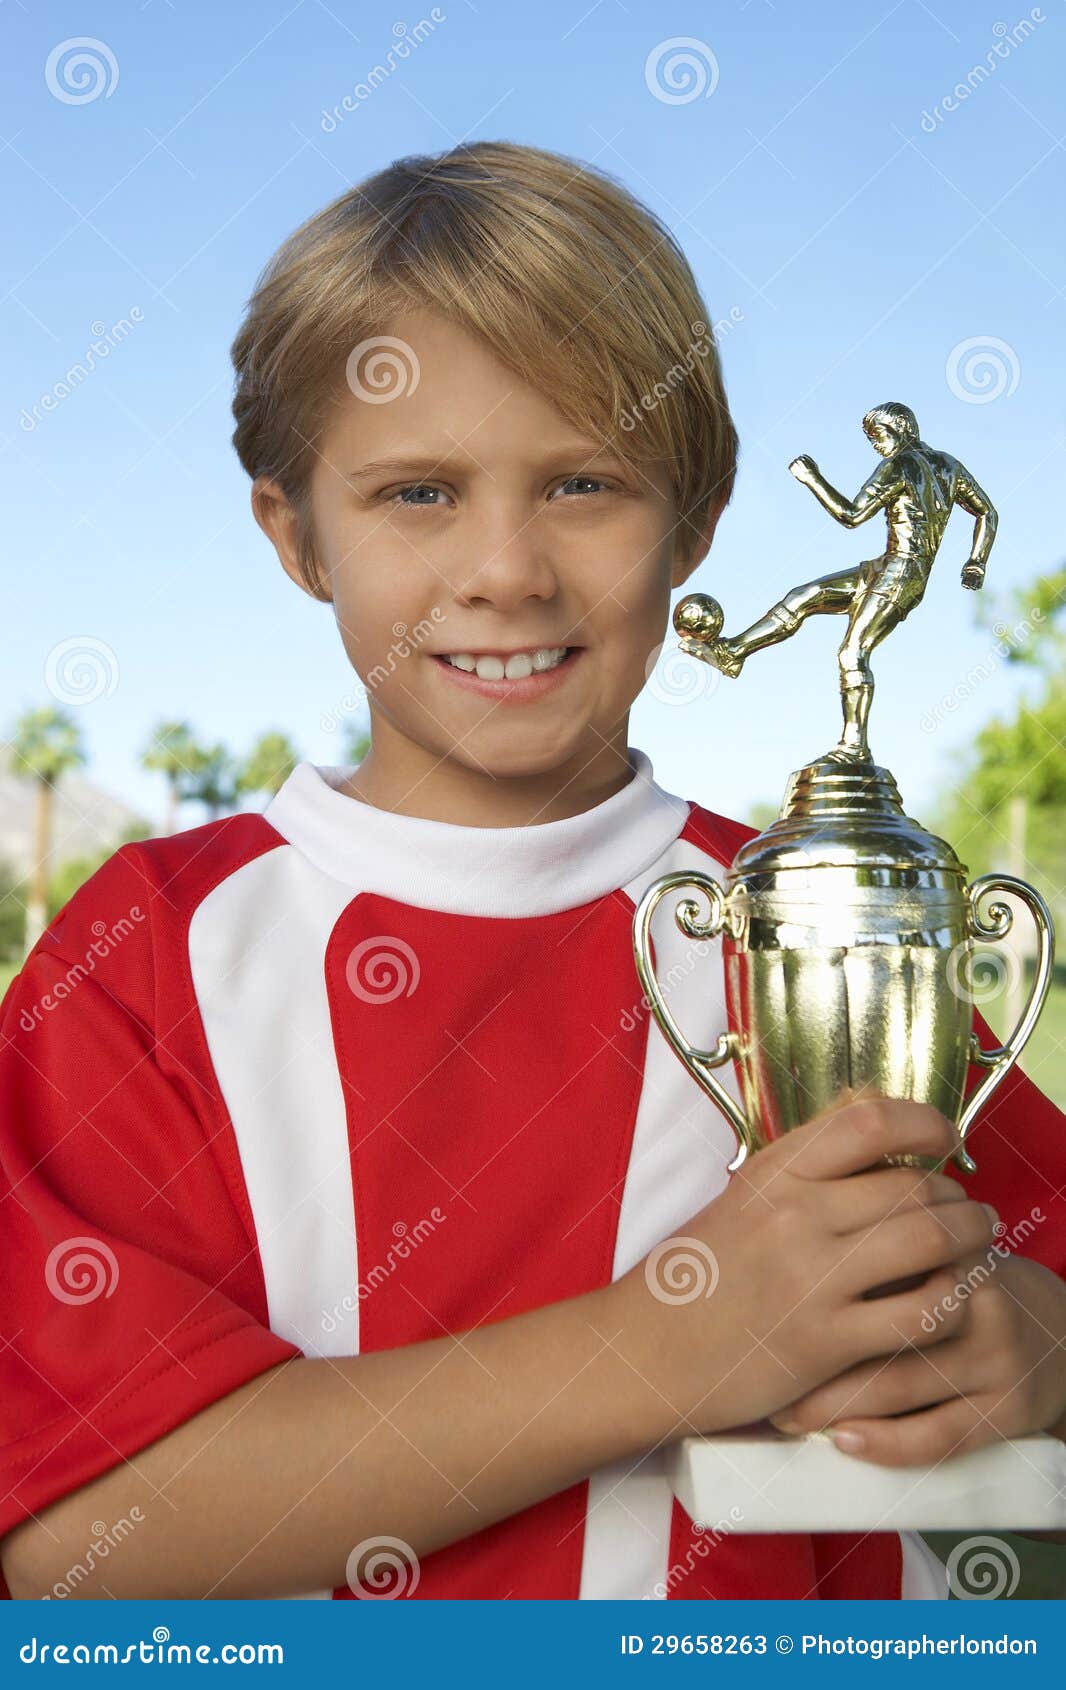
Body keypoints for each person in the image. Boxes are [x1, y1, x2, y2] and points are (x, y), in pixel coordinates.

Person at [1, 141, 1064, 1604]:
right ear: (292, 531)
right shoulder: (151, 952)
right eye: (417, 493)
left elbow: (1026, 1285)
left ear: (696, 515)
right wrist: (678, 1337)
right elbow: (76, 1541)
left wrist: (1032, 1343)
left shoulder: (816, 923)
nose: (505, 568)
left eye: (582, 481)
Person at [682, 403, 999, 764]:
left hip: (901, 575)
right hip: (886, 566)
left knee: (852, 652)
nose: (876, 447)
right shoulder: (949, 465)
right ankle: (733, 653)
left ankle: (854, 746)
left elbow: (851, 515)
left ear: (898, 430)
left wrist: (812, 478)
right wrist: (976, 562)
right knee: (806, 595)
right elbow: (987, 512)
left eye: (877, 437)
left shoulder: (899, 464)